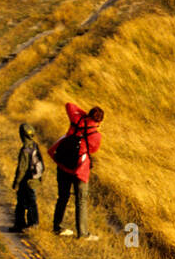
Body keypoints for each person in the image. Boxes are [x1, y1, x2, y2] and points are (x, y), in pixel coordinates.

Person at [48, 103, 104, 241]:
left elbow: (69, 105)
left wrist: (85, 116)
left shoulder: (76, 119)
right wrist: (91, 122)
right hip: (79, 169)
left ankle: (57, 227)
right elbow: (93, 150)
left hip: (63, 165)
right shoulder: (96, 135)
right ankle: (83, 233)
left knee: (63, 197)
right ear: (100, 121)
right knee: (81, 201)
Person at [10, 123, 45, 232]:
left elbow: (21, 169)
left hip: (27, 180)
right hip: (33, 179)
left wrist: (16, 183)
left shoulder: (25, 150)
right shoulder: (34, 145)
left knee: (27, 201)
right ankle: (21, 224)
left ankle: (31, 224)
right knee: (25, 200)